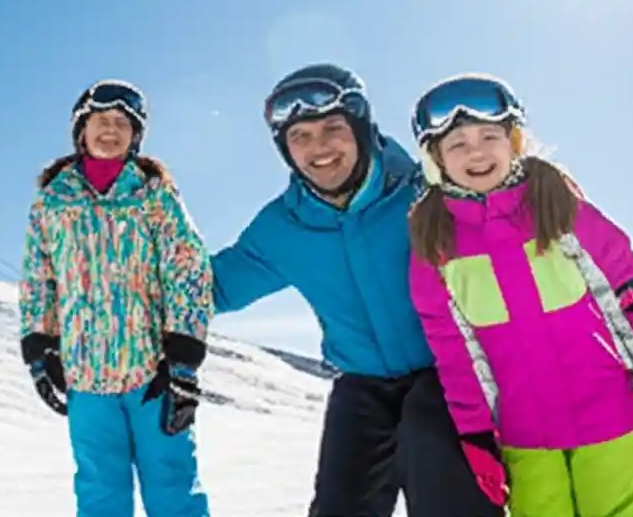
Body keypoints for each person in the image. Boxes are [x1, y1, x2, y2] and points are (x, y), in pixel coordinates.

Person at [209, 63, 502, 516]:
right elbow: (211, 289)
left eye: (332, 128)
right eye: (299, 137)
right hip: (362, 385)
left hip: (448, 375)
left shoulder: (427, 189)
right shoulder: (282, 227)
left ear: (362, 129)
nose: (319, 147)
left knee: (447, 488)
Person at [406, 73, 633, 516]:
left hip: (610, 417)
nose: (475, 151)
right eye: (457, 144)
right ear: (436, 158)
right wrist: (476, 435)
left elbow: (632, 296)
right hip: (525, 439)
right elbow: (455, 356)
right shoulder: (434, 247)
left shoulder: (559, 207)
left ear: (514, 141)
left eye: (489, 136)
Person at [18, 78, 214, 517]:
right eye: (101, 120)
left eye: (122, 123)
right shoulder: (51, 202)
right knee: (99, 491)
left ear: (136, 137)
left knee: (172, 483)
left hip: (152, 373)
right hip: (85, 377)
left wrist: (183, 353)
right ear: (80, 131)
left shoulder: (153, 194)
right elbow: (38, 277)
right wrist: (38, 345)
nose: (111, 129)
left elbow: (188, 265)